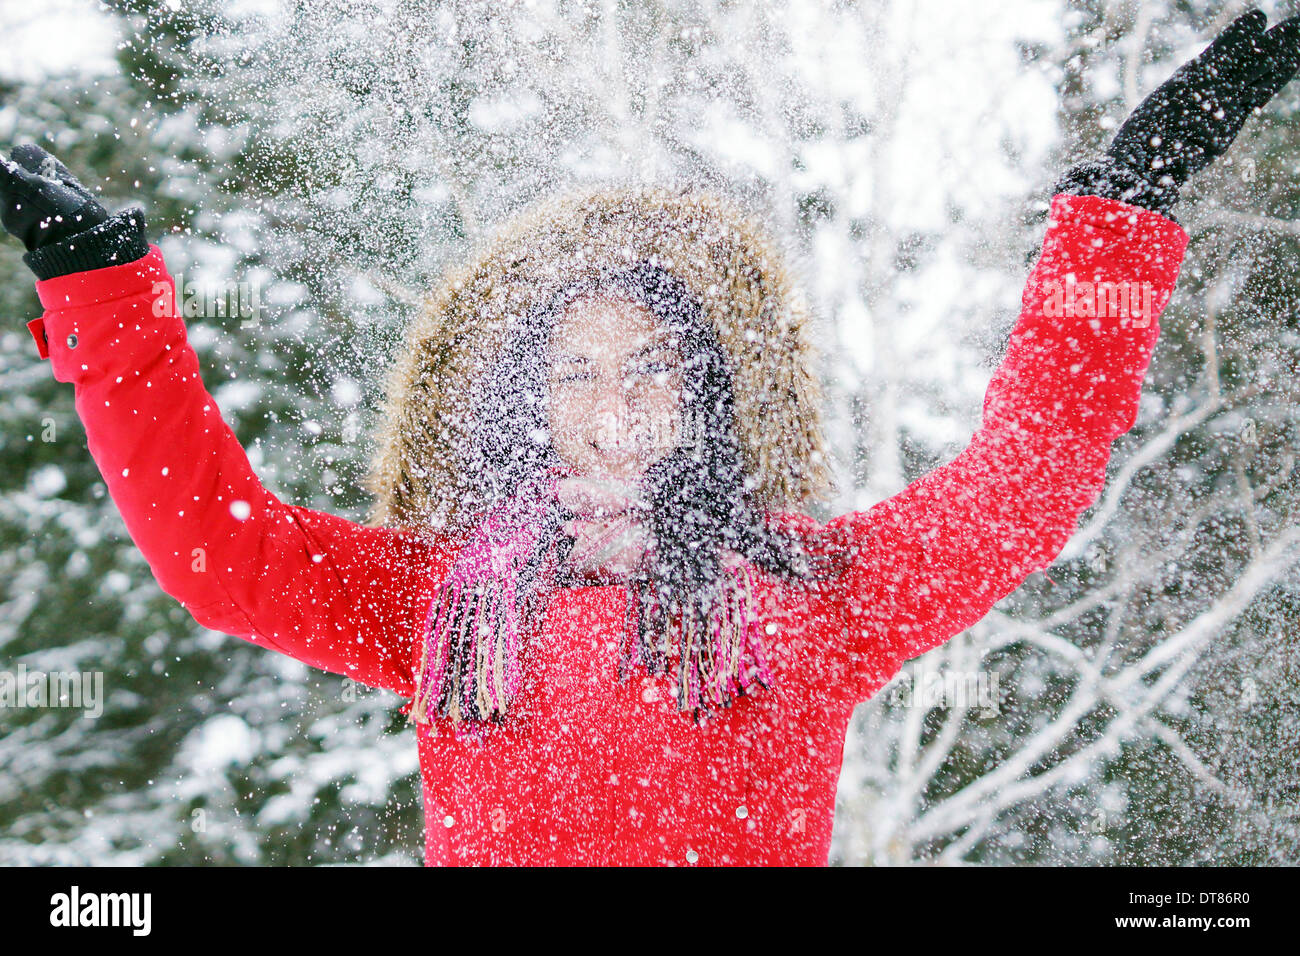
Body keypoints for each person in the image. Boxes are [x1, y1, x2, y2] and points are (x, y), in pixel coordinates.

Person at [3, 10, 1296, 866]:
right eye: (572, 369)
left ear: (700, 397)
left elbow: (1027, 484)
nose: (610, 397)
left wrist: (1122, 207)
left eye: (648, 363)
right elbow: (220, 559)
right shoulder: (439, 603)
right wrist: (101, 280)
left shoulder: (814, 594)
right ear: (531, 401)